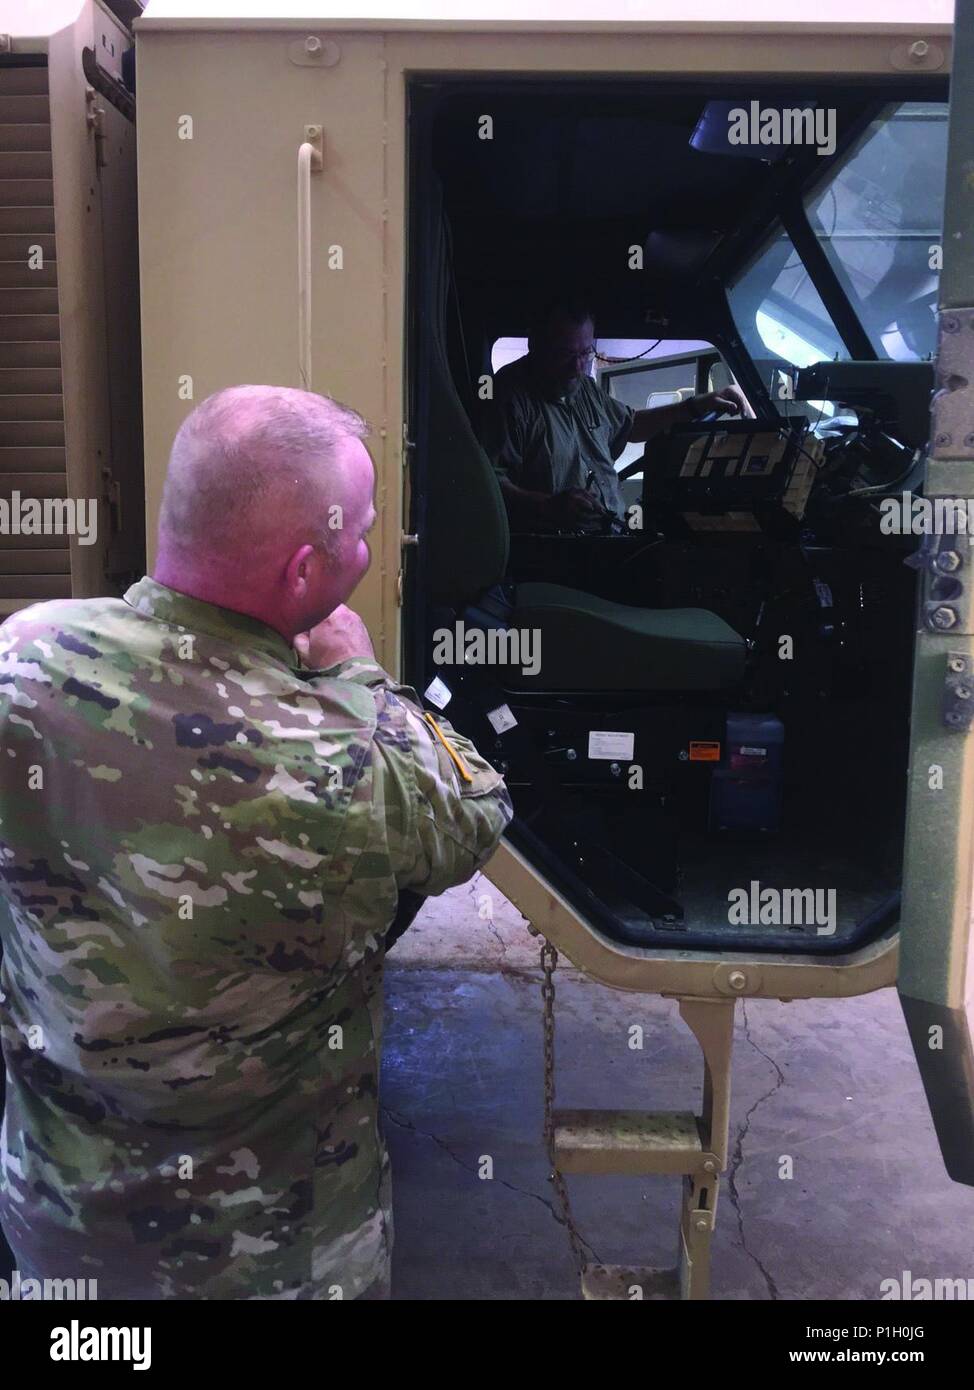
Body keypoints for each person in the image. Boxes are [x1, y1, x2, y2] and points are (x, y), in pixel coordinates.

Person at [0, 385, 512, 1301]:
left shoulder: (24, 660)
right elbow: (476, 806)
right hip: (280, 1259)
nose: (370, 548)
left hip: (63, 1238)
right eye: (359, 534)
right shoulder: (353, 755)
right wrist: (356, 674)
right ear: (307, 574)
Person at [481, 298, 753, 532]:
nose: (577, 367)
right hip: (556, 550)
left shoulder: (585, 388)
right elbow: (487, 483)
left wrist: (695, 406)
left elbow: (631, 425)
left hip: (611, 535)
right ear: (536, 345)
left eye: (585, 353)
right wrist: (548, 507)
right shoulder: (509, 397)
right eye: (564, 354)